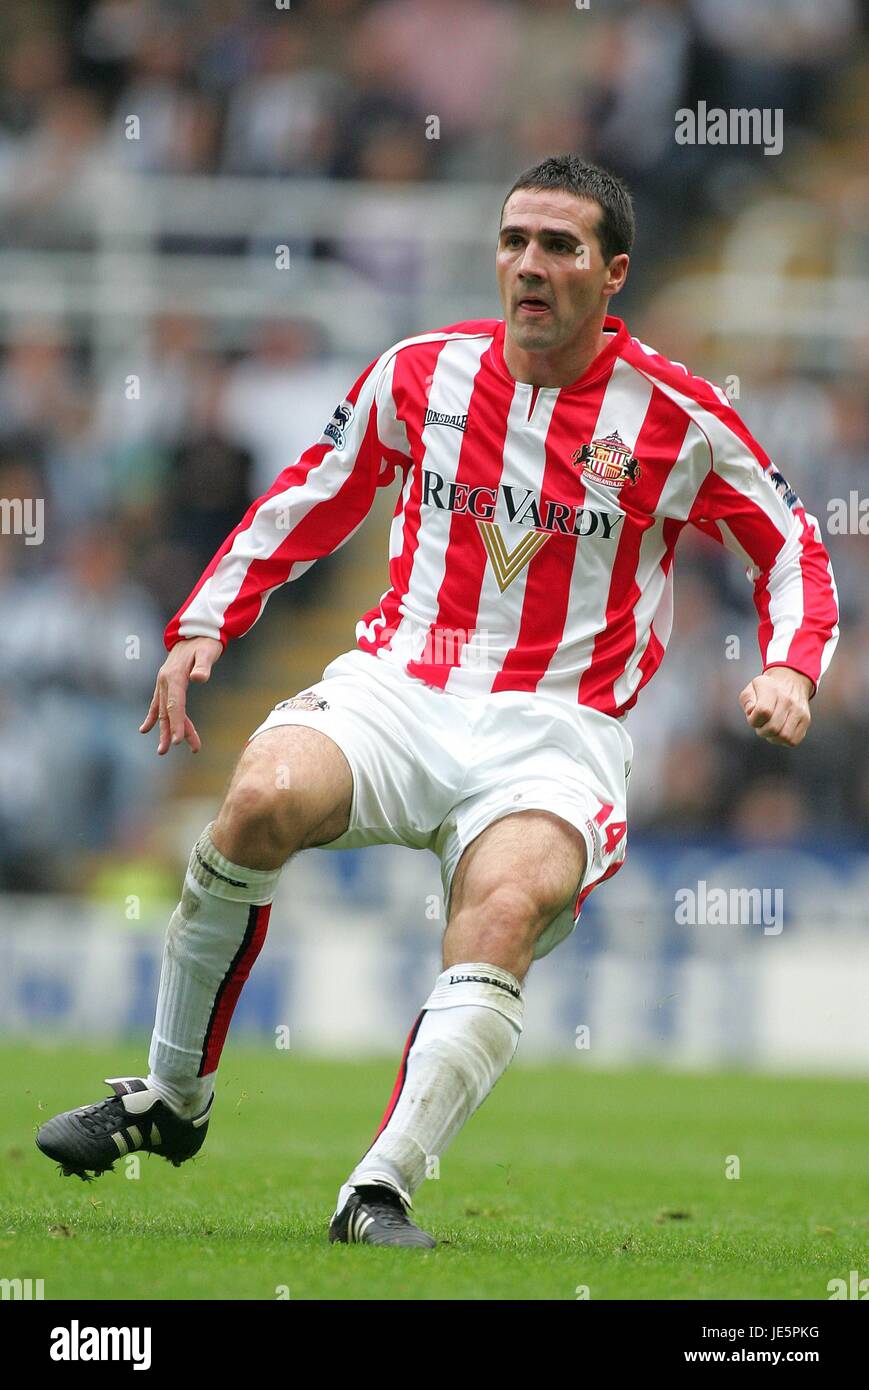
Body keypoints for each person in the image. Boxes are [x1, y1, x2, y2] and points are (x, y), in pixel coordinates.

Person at [36, 155, 839, 1248]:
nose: (527, 264)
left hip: (556, 728)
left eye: (558, 246)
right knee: (257, 798)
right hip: (399, 688)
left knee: (503, 908)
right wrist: (201, 621)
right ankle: (170, 1100)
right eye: (513, 240)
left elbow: (788, 540)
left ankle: (378, 1188)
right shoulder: (422, 373)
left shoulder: (674, 417)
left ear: (612, 274)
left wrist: (791, 663)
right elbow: (315, 491)